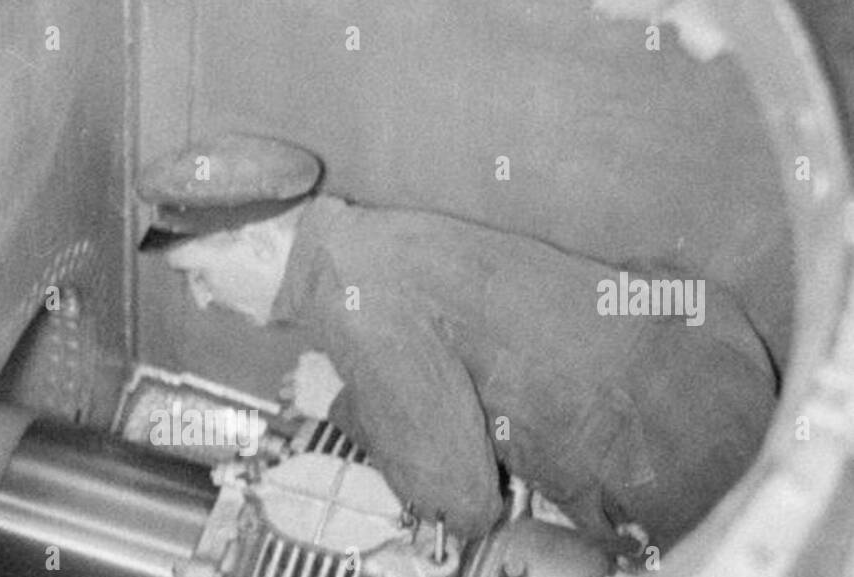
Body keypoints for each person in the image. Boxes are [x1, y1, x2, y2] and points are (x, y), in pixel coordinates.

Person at [137, 133, 778, 555]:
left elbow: (461, 507)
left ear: (256, 242)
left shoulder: (353, 300)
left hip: (685, 449)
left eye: (200, 274)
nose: (201, 297)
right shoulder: (358, 239)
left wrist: (340, 405)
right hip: (709, 346)